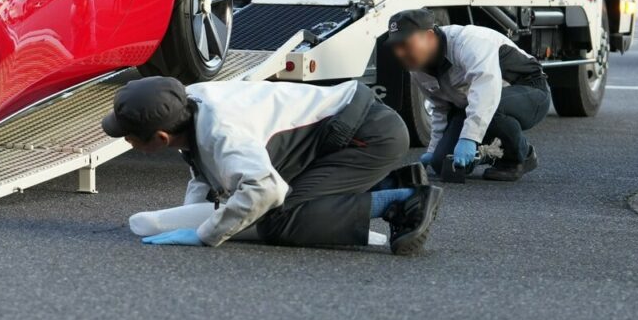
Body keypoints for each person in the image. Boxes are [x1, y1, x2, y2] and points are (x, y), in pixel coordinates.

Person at [102, 76, 441, 254]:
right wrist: (191, 217)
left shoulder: (224, 133)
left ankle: (399, 200)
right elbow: (204, 174)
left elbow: (265, 189)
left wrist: (206, 234)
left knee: (281, 219)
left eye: (129, 136)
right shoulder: (184, 103)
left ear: (161, 138)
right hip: (340, 130)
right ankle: (387, 184)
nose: (126, 140)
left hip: (367, 136)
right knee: (268, 203)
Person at [385, 8, 550, 182]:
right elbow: (441, 108)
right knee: (442, 164)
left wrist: (469, 138)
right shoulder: (418, 67)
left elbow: (486, 93)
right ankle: (490, 154)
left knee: (490, 110)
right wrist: (434, 151)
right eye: (395, 47)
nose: (399, 52)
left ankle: (520, 156)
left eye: (405, 45)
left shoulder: (469, 42)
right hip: (477, 103)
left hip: (531, 91)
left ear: (429, 36)